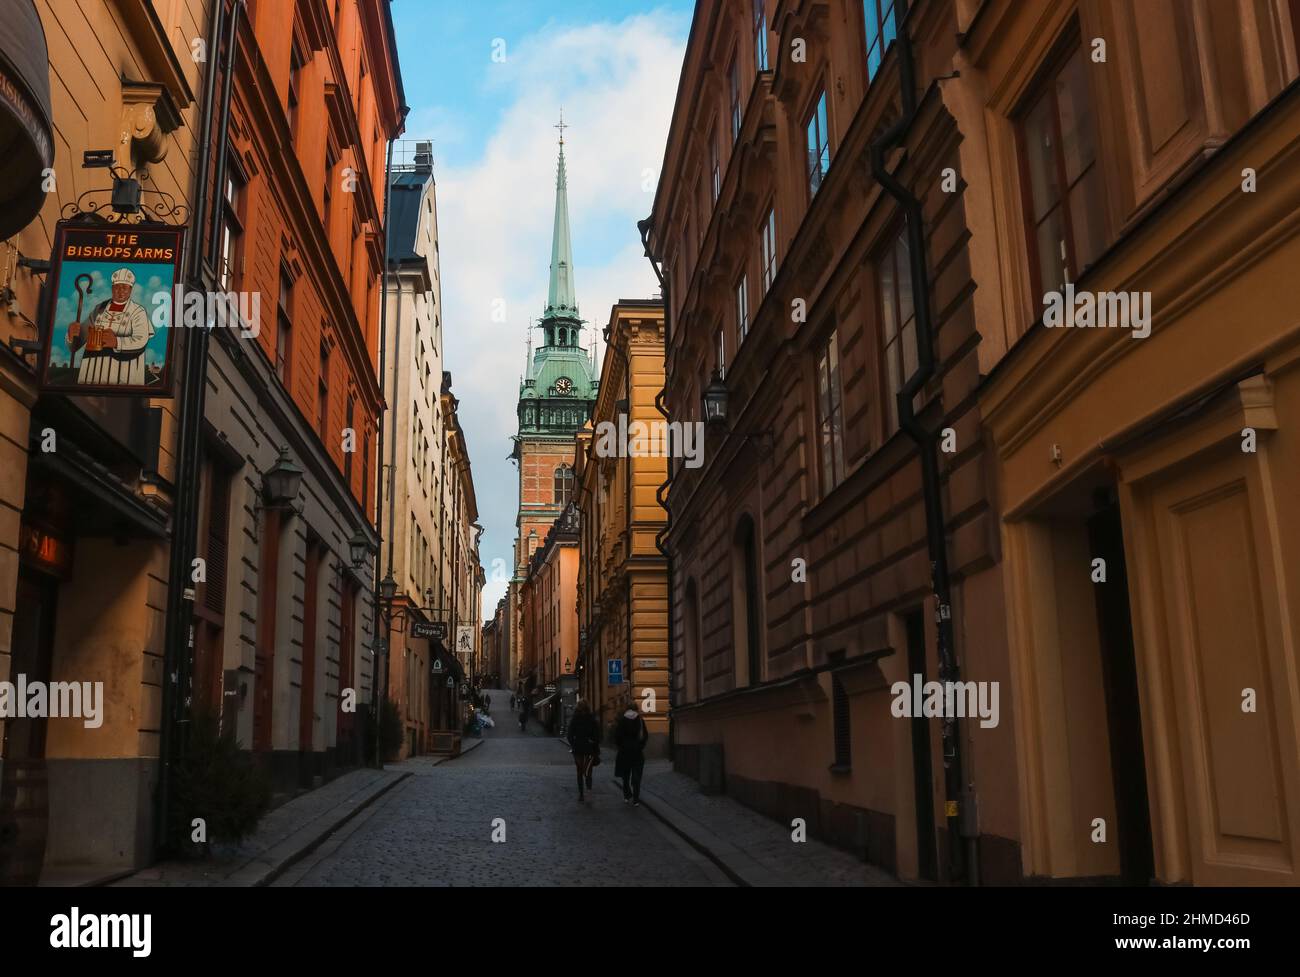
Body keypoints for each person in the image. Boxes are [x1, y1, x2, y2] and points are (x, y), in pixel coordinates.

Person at [67, 268, 155, 386]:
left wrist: (116, 342)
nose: (120, 291)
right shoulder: (100, 308)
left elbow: (141, 339)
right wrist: (72, 335)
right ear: (112, 288)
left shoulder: (138, 311)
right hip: (93, 369)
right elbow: (78, 341)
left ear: (130, 289)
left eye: (124, 287)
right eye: (117, 287)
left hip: (123, 371)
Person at [614, 703, 649, 805]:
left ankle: (626, 795)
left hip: (624, 752)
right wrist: (640, 746)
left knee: (625, 775)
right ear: (636, 709)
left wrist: (621, 746)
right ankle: (636, 799)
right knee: (637, 774)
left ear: (627, 709)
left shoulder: (622, 720)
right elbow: (645, 736)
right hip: (637, 752)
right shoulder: (640, 720)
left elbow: (617, 736)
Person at [566, 700, 600, 801]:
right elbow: (597, 734)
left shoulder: (575, 718)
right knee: (589, 771)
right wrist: (594, 743)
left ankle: (581, 794)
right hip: (589, 748)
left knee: (579, 771)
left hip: (578, 749)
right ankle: (588, 791)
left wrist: (573, 744)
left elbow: (570, 735)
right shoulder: (591, 718)